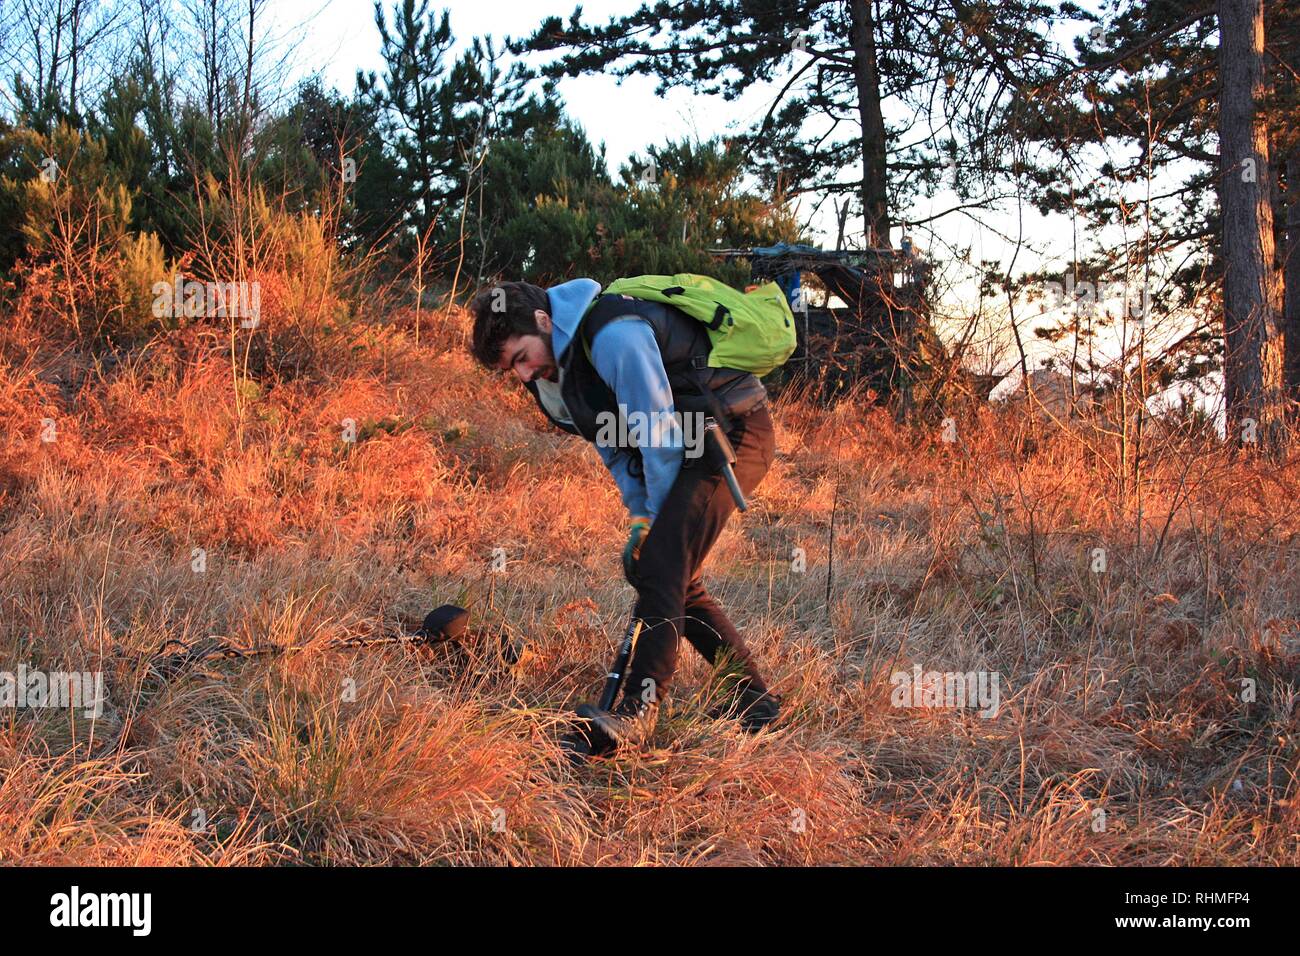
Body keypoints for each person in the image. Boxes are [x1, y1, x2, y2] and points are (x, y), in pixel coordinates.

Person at [468, 277, 781, 754]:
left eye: (522, 357)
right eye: (512, 368)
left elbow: (657, 436)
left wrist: (657, 523)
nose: (525, 375)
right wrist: (641, 517)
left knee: (661, 565)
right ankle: (755, 704)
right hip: (687, 442)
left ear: (543, 320)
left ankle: (638, 712)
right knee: (670, 573)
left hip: (733, 432)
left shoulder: (615, 335)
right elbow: (614, 446)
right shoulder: (557, 373)